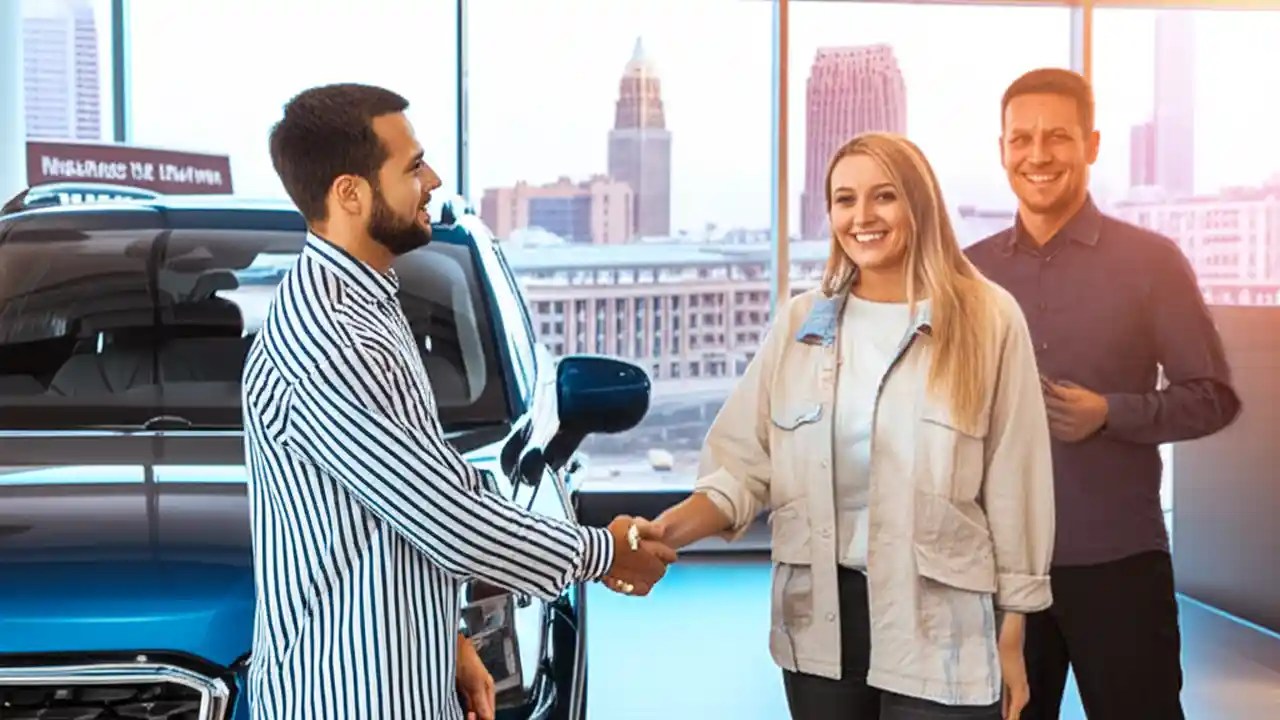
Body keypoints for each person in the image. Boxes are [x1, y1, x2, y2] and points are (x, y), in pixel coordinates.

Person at [241, 83, 676, 720]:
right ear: (350, 193)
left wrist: (444, 639)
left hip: (389, 681)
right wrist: (605, 551)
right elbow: (449, 521)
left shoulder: (365, 306)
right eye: (413, 167)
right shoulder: (333, 338)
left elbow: (380, 520)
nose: (434, 180)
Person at [617, 132, 1055, 719]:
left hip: (940, 625)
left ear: (919, 204)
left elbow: (1015, 484)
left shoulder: (987, 318)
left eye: (884, 197)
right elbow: (743, 467)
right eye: (845, 200)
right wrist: (667, 530)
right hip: (822, 621)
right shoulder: (802, 321)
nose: (862, 217)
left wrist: (1013, 631)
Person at [965, 68, 1242, 720]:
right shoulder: (969, 273)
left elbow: (1213, 396)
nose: (1038, 155)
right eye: (1021, 138)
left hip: (1117, 560)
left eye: (1057, 137)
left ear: (1090, 144)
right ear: (1001, 147)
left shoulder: (1152, 262)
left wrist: (1109, 413)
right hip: (997, 571)